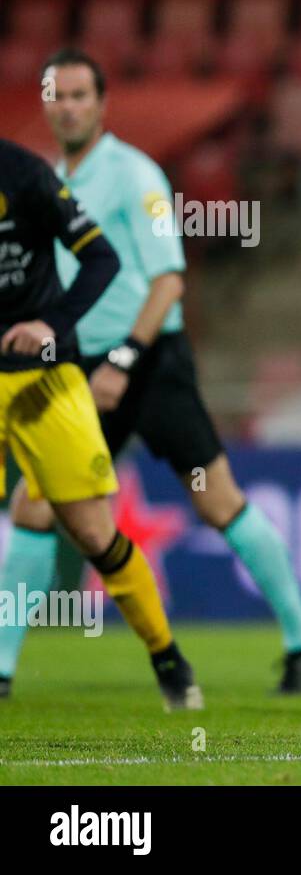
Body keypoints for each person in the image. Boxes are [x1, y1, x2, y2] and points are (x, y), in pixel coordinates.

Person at [0, 48, 301, 696]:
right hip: (71, 369)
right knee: (35, 507)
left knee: (216, 500)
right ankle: (5, 667)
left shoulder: (135, 175)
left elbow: (169, 280)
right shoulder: (45, 178)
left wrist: (124, 358)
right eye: (56, 96)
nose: (66, 106)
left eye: (78, 95)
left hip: (149, 363)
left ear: (101, 104)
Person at [0, 137, 202, 710]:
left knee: (91, 531)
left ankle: (166, 656)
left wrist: (51, 323)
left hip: (43, 374)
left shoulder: (25, 176)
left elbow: (102, 257)